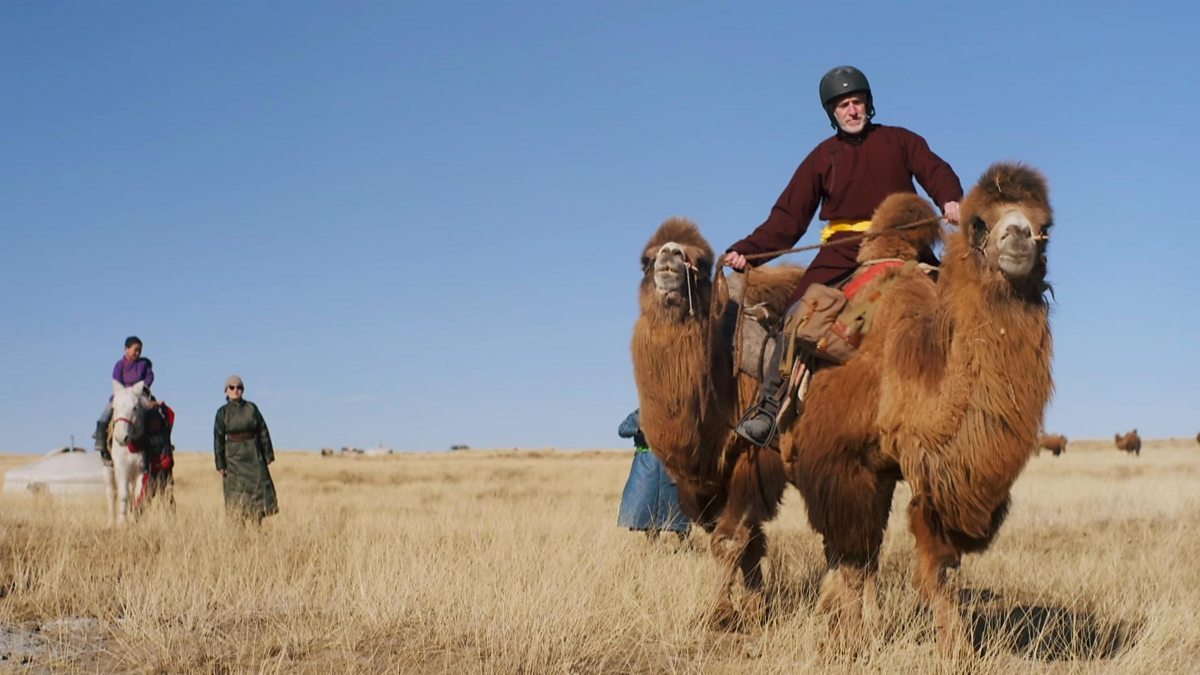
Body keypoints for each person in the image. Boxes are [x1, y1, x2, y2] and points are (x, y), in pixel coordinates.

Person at [724, 66, 964, 447]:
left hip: (903, 242)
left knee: (957, 301)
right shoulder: (822, 158)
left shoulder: (901, 141)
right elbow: (788, 218)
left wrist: (951, 199)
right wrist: (748, 252)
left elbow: (935, 170)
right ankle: (771, 407)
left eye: (857, 102)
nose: (852, 111)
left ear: (869, 104)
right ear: (831, 113)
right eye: (843, 106)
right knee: (795, 315)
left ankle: (978, 390)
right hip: (843, 249)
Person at [213, 375, 278, 524]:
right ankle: (239, 532)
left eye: (239, 387)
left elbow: (263, 431)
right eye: (232, 387)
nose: (236, 390)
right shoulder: (222, 413)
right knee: (236, 498)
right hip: (233, 459)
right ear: (226, 391)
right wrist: (220, 464)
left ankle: (257, 529)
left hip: (253, 456)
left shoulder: (251, 408)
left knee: (258, 494)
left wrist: (268, 454)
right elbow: (218, 439)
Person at [616, 409, 690, 538]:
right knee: (646, 505)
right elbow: (622, 430)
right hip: (645, 468)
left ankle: (685, 544)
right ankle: (653, 545)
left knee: (678, 507)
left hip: (670, 464)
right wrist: (640, 429)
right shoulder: (639, 414)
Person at [93, 336, 159, 458]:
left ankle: (159, 441)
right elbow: (116, 379)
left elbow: (150, 377)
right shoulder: (119, 365)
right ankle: (100, 437)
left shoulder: (143, 364)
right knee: (107, 411)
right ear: (126, 349)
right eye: (135, 350)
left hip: (138, 394)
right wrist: (124, 392)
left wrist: (142, 387)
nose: (138, 353)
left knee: (154, 412)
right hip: (121, 394)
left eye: (140, 350)